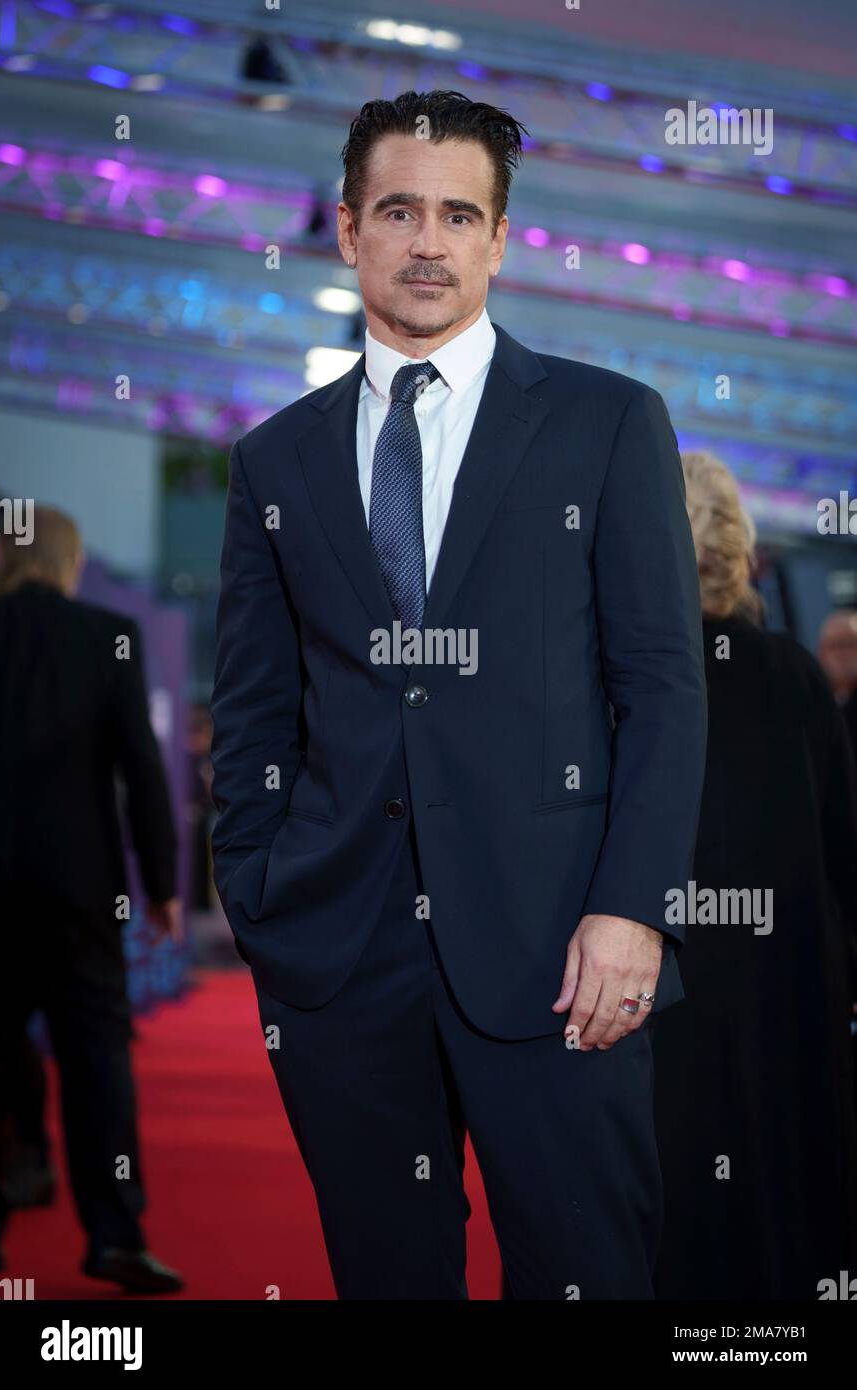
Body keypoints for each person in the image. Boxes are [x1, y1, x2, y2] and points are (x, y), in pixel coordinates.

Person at [210, 89, 707, 1300]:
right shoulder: (275, 457)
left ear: (496, 238)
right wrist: (264, 902)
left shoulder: (605, 424)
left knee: (586, 1274)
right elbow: (256, 709)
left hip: (562, 959)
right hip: (342, 964)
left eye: (457, 214)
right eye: (397, 210)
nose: (427, 241)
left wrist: (631, 910)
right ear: (345, 229)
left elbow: (661, 685)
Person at [651, 450, 857, 1300]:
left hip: (658, 1003)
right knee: (783, 1213)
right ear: (742, 553)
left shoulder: (626, 680)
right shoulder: (798, 678)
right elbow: (844, 854)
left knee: (671, 1213)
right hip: (791, 1001)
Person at [0, 505, 184, 1293]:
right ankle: (115, 1236)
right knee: (99, 1062)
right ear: (70, 560)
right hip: (81, 892)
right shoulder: (107, 634)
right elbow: (140, 767)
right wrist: (165, 885)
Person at [818, 609, 857, 758]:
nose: (840, 653)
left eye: (848, 643)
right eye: (833, 645)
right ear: (821, 653)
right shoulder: (817, 704)